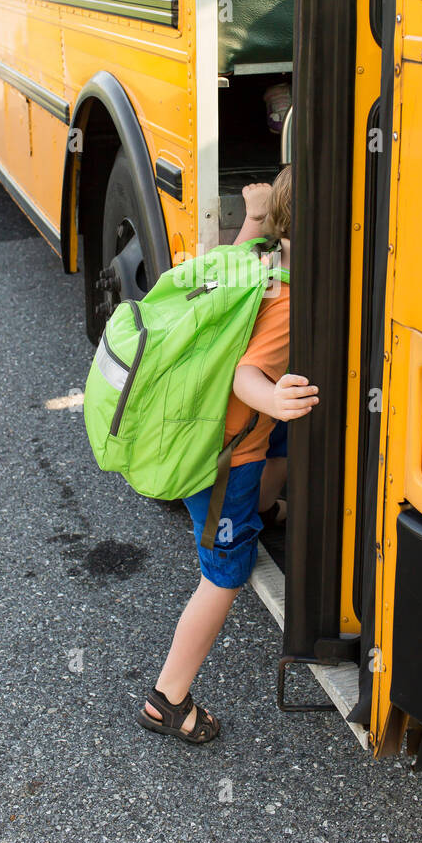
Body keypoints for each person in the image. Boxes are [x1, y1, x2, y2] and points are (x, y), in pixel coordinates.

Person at [137, 165, 318, 743]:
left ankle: (262, 513)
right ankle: (167, 698)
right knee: (223, 577)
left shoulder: (258, 257)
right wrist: (275, 397)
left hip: (209, 431)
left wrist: (257, 216)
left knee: (286, 446)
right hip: (224, 461)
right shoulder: (288, 297)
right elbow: (245, 375)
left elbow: (226, 262)